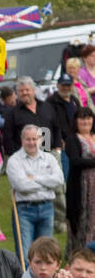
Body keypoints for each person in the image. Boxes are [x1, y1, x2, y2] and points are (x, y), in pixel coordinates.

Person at [7, 125, 65, 258]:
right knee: (25, 253)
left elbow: (59, 180)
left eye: (35, 139)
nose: (32, 142)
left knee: (46, 252)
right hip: (24, 210)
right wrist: (47, 183)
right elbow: (22, 186)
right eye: (28, 139)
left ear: (40, 139)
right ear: (22, 140)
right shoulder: (14, 160)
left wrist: (34, 178)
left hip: (47, 208)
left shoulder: (49, 158)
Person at [3, 77, 61, 157]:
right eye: (21, 91)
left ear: (33, 91)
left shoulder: (47, 107)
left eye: (27, 90)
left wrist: (58, 149)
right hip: (26, 158)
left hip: (50, 154)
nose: (24, 93)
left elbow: (56, 127)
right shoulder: (12, 113)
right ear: (17, 93)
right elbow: (7, 139)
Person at [65, 106, 95, 249]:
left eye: (88, 118)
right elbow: (75, 161)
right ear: (76, 121)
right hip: (82, 186)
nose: (85, 121)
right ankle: (83, 251)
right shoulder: (72, 139)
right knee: (84, 219)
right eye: (82, 118)